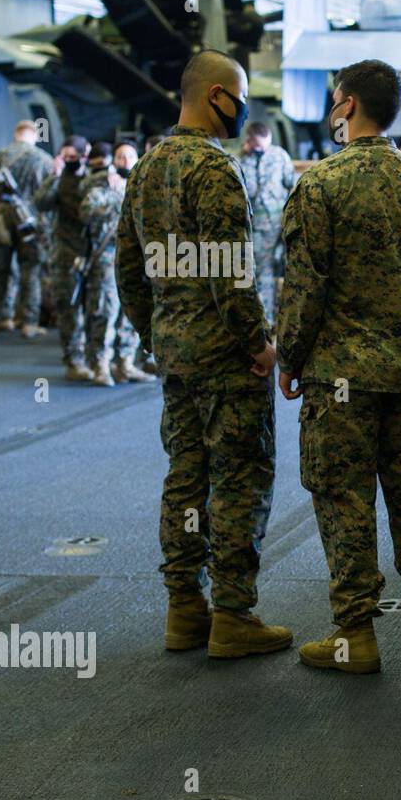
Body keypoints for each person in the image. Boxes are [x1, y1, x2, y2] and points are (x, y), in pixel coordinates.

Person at [277, 58, 401, 672]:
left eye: (334, 98)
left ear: (348, 104)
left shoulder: (321, 184)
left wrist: (290, 356)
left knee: (344, 498)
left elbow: (305, 288)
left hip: (341, 377)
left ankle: (355, 634)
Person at [116, 49, 291, 658]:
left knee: (186, 477)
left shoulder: (147, 166)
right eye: (239, 97)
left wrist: (156, 334)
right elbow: (231, 273)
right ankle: (234, 616)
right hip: (226, 358)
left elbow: (128, 268)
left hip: (176, 354)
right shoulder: (214, 170)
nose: (242, 110)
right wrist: (258, 343)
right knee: (239, 478)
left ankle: (184, 608)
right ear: (216, 95)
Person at [79, 141, 154, 386]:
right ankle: (101, 364)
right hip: (107, 257)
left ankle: (126, 362)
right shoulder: (101, 185)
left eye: (130, 156)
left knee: (133, 311)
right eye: (120, 156)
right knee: (105, 311)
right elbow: (86, 211)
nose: (125, 161)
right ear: (113, 160)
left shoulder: (145, 184)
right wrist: (116, 194)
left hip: (138, 258)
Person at [34, 134, 93, 379]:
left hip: (93, 252)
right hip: (65, 253)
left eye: (74, 156)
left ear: (84, 156)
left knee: (96, 309)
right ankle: (74, 360)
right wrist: (54, 176)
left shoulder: (93, 179)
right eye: (65, 156)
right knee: (68, 307)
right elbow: (41, 203)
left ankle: (97, 357)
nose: (70, 161)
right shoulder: (58, 181)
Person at [0, 120, 53, 338]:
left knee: (0, 269)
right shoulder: (44, 159)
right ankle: (29, 322)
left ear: (16, 133)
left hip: (1, 219)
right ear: (35, 135)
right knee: (31, 271)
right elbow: (49, 196)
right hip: (31, 222)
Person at [239, 121, 295, 318]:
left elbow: (292, 184)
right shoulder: (242, 160)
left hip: (282, 223)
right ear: (249, 141)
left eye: (264, 145)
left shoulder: (279, 156)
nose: (261, 149)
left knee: (292, 270)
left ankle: (289, 318)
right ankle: (267, 319)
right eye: (257, 146)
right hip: (259, 228)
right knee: (263, 273)